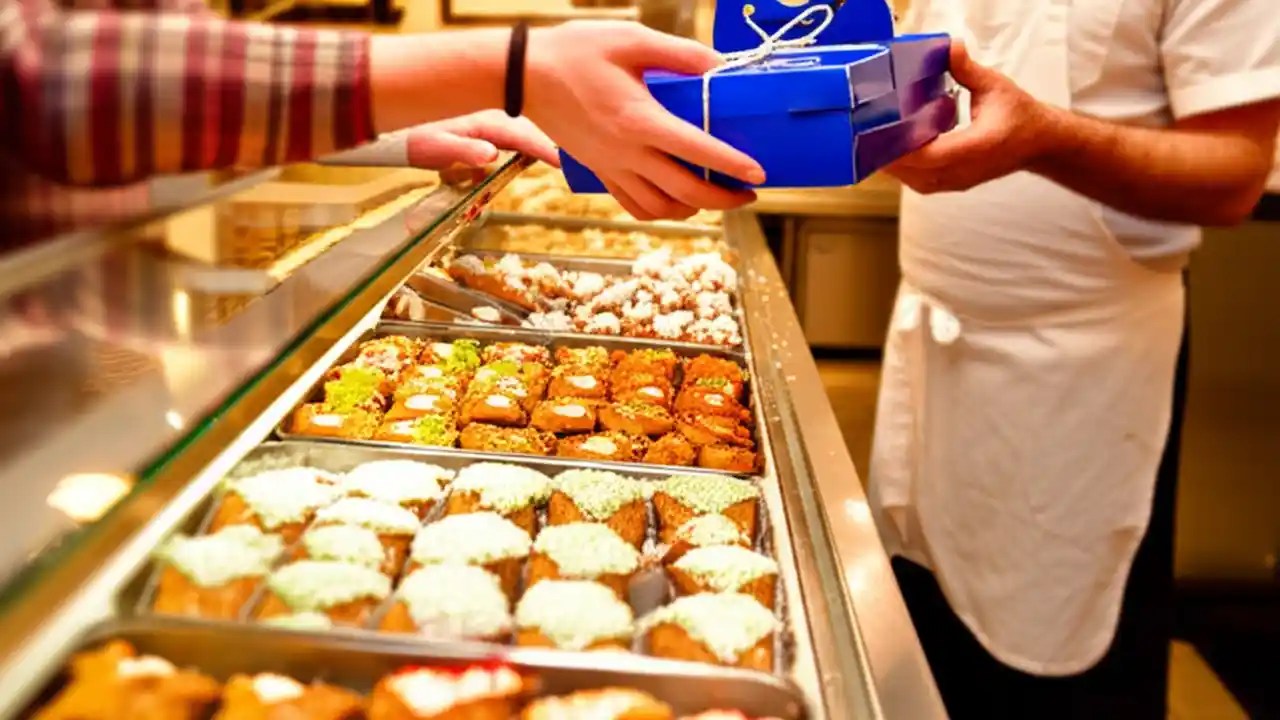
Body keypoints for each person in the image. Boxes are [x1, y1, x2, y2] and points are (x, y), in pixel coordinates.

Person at [869, 0, 1279, 716]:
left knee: (1059, 685)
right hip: (930, 353)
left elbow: (1235, 174)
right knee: (926, 649)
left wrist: (1045, 140)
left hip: (1085, 378)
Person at [0, 0, 764, 244]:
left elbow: (193, 97)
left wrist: (407, 128)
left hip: (99, 351)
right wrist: (514, 67)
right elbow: (50, 82)